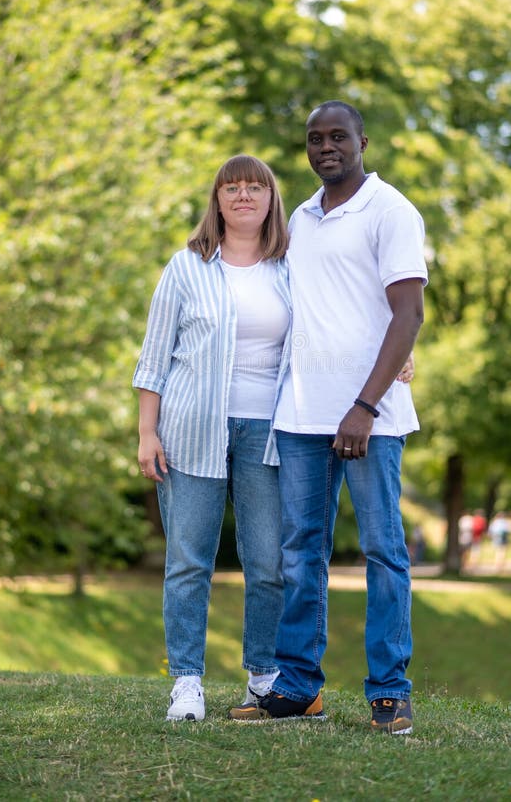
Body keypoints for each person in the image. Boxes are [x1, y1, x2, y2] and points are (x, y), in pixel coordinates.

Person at [231, 101, 427, 734]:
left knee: (382, 550)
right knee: (300, 552)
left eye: (338, 136)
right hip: (301, 413)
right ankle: (298, 688)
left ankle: (389, 690)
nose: (326, 147)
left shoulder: (392, 210)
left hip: (371, 418)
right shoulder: (304, 219)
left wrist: (365, 406)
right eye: (315, 139)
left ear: (363, 141)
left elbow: (408, 315)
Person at [133, 155, 291, 721]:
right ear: (217, 200)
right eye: (233, 188)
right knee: (188, 559)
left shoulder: (291, 267)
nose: (244, 196)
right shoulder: (186, 266)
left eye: (255, 187)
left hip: (268, 434)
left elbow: (341, 318)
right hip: (190, 429)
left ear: (271, 199)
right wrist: (147, 432)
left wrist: (399, 354)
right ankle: (187, 681)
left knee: (269, 560)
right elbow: (154, 358)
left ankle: (263, 677)